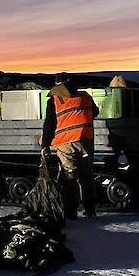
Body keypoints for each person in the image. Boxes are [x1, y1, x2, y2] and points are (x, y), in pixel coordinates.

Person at [41, 73, 99, 218]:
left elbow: (49, 124)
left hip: (66, 143)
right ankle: (90, 210)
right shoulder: (85, 96)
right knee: (87, 175)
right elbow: (95, 112)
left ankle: (71, 211)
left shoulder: (55, 100)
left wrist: (45, 144)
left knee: (69, 176)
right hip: (86, 141)